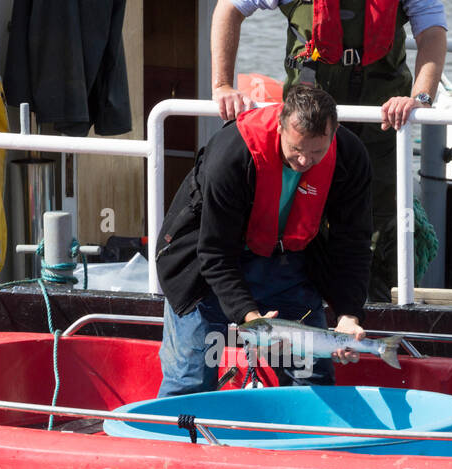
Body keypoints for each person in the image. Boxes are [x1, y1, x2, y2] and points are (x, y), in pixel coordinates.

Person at [210, 0, 447, 302]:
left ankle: (374, 308)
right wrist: (221, 84)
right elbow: (230, 4)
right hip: (309, 114)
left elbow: (432, 29)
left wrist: (419, 98)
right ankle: (297, 301)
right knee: (302, 204)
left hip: (383, 113)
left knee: (379, 216)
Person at [155, 85, 373, 396]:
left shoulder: (350, 158)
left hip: (287, 268)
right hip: (204, 272)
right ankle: (178, 439)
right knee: (189, 382)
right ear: (280, 125)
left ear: (334, 133)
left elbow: (353, 244)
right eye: (296, 149)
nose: (304, 161)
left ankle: (305, 443)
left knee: (310, 379)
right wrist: (251, 318)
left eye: (316, 152)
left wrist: (349, 315)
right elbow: (214, 252)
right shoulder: (232, 156)